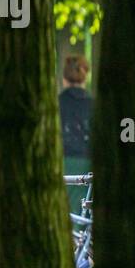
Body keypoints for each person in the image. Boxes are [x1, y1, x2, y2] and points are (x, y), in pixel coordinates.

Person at [59, 54, 92, 213]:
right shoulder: (94, 105)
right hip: (88, 164)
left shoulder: (54, 103)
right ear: (85, 78)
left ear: (64, 79)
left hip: (61, 163)